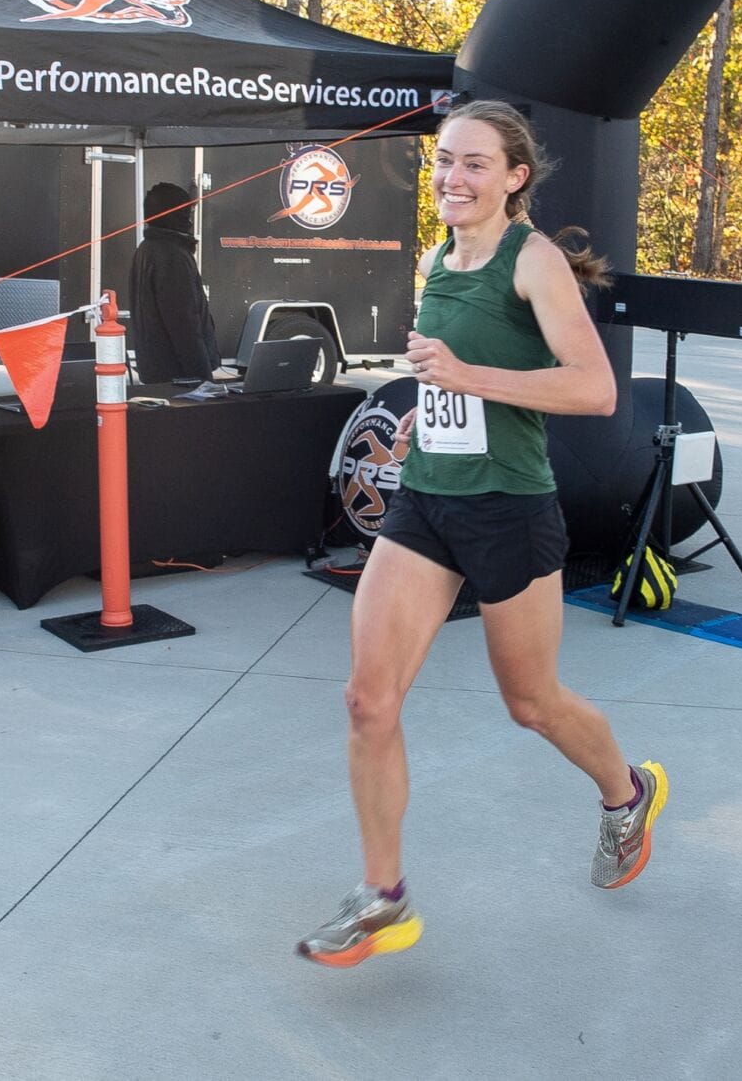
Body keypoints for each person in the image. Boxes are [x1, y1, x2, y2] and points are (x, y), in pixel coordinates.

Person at [295, 99, 666, 968]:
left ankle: (627, 791)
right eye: (443, 163)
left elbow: (595, 390)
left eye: (472, 164)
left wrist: (469, 376)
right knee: (367, 699)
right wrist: (436, 409)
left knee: (530, 702)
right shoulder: (437, 257)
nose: (452, 178)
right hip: (429, 500)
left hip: (509, 506)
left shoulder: (532, 262)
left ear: (513, 177)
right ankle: (384, 898)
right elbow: (447, 378)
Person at [127, 181, 220, 385]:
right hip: (179, 375)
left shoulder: (145, 249)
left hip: (156, 370)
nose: (189, 218)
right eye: (186, 212)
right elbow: (184, 324)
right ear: (174, 214)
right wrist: (204, 380)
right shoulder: (171, 254)